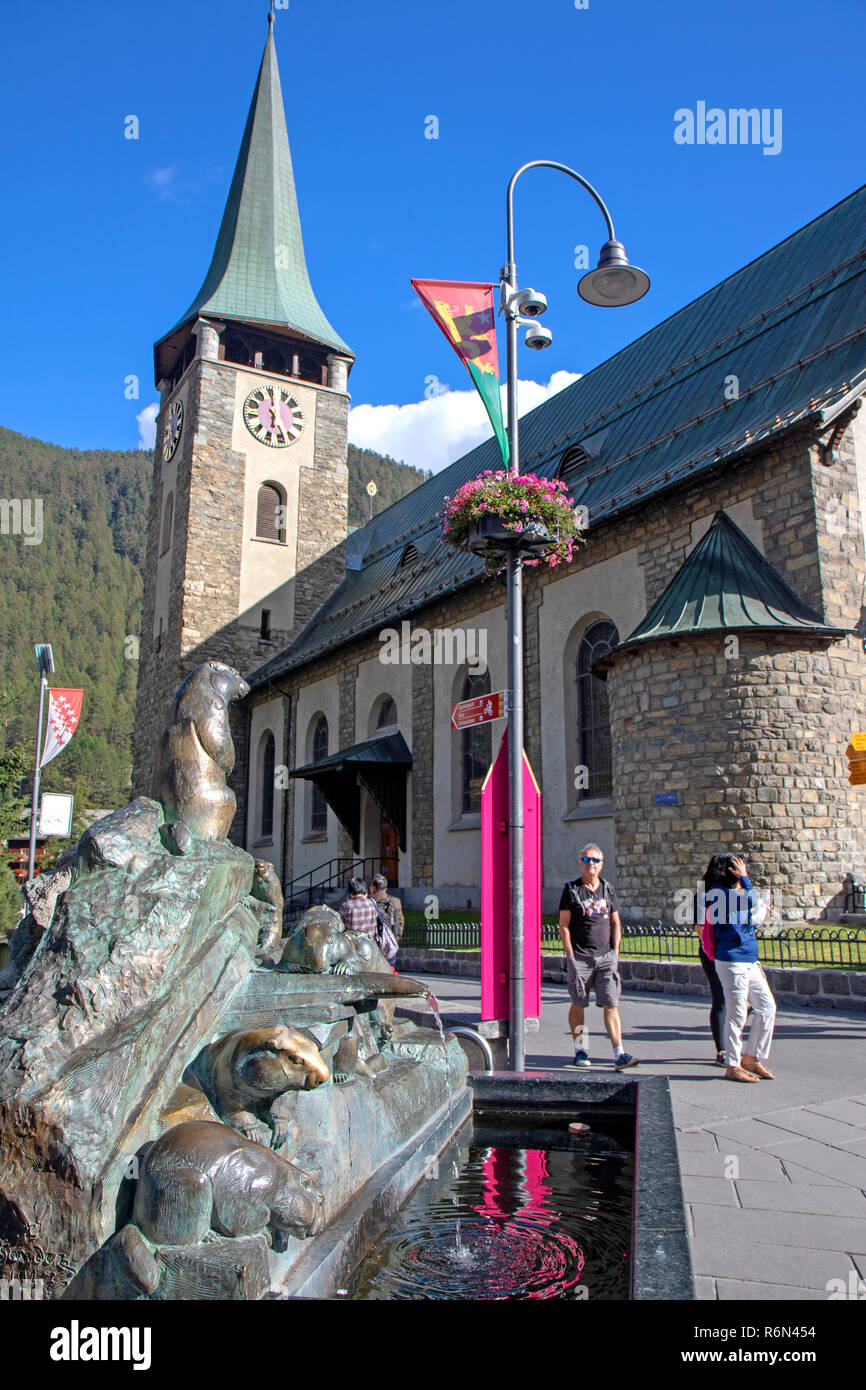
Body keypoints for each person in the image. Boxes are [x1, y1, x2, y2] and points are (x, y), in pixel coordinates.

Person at [558, 844, 639, 1071]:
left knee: (611, 1004)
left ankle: (619, 1053)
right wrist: (570, 957)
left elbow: (616, 922)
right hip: (581, 957)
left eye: (595, 860)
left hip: (605, 958)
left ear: (601, 864)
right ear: (580, 863)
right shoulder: (572, 889)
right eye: (586, 860)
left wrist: (615, 952)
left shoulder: (608, 889)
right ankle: (580, 1050)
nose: (590, 863)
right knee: (578, 1004)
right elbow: (564, 925)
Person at [705, 853, 777, 1083]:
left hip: (749, 959)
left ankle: (752, 1057)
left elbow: (751, 914)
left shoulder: (733, 894)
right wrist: (745, 879)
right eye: (739, 867)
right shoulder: (717, 894)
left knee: (766, 1007)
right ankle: (732, 1065)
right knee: (736, 1014)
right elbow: (750, 902)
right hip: (732, 961)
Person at [695, 856, 729, 1067]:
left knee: (727, 1000)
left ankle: (725, 1048)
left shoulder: (733, 894)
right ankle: (723, 1049)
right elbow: (700, 928)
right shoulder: (704, 895)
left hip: (725, 952)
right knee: (721, 999)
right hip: (714, 952)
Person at [369, 873, 404, 964]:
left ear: (373, 888)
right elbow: (400, 923)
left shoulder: (368, 902)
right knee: (390, 974)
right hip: (389, 946)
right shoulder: (395, 901)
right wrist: (395, 940)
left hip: (372, 946)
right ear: (385, 888)